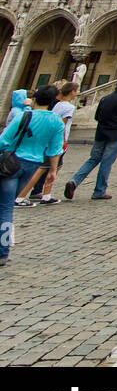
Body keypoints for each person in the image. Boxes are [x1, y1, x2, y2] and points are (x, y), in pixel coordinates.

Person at [0, 85, 65, 265]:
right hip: (33, 166)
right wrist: (52, 170)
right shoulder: (57, 122)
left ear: (35, 99)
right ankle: (3, 252)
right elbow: (54, 149)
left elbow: (4, 140)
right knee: (6, 208)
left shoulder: (24, 115)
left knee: (3, 207)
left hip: (11, 162)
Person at [64, 75, 117, 201]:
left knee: (93, 159)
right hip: (116, 135)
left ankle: (74, 181)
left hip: (101, 133)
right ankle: (99, 191)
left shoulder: (105, 98)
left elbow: (97, 116)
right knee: (106, 162)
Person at [15, 81, 78, 206]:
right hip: (58, 140)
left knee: (48, 168)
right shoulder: (69, 107)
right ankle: (21, 197)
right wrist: (61, 143)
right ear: (72, 92)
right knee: (46, 169)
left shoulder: (58, 105)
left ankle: (45, 195)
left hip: (50, 140)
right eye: (76, 91)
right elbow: (61, 125)